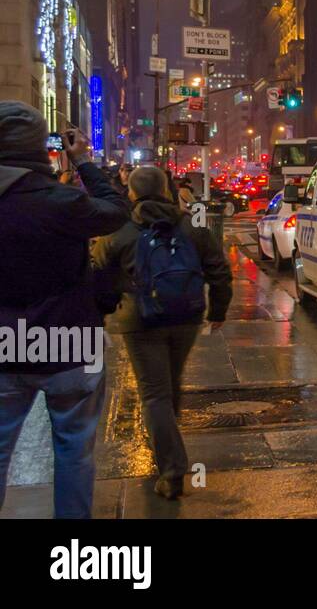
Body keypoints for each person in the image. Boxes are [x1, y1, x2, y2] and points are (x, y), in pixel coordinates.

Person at [0, 102, 129, 519]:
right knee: (75, 451)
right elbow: (115, 211)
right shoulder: (63, 201)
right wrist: (84, 162)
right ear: (42, 146)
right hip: (69, 345)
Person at [92, 166, 231, 500]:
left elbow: (98, 275)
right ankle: (166, 440)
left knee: (154, 393)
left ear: (132, 193)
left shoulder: (121, 230)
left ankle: (171, 470)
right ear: (167, 190)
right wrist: (218, 311)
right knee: (172, 382)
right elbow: (219, 269)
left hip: (141, 321)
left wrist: (108, 309)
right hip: (187, 317)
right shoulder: (192, 226)